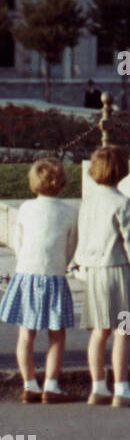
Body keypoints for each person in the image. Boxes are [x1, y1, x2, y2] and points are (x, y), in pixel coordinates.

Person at [75, 145, 130, 408]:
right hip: (119, 273)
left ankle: (98, 387)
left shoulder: (88, 202)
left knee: (99, 331)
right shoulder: (125, 204)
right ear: (123, 170)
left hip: (95, 273)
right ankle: (122, 388)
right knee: (123, 331)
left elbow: (82, 237)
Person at [0, 157, 78, 404]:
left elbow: (18, 242)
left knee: (26, 334)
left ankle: (30, 384)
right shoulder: (70, 212)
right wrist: (61, 265)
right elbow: (71, 246)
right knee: (56, 335)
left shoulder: (25, 208)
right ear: (62, 183)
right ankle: (51, 385)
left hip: (26, 274)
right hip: (53, 276)